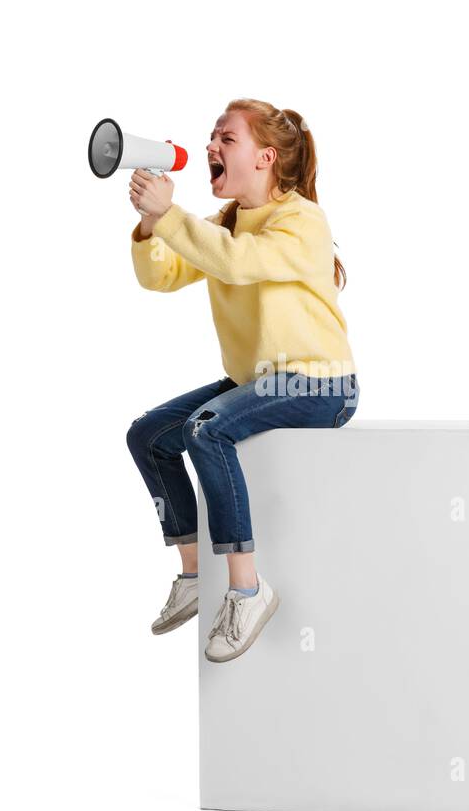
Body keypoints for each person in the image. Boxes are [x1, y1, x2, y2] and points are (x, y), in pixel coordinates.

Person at [125, 98, 359, 663]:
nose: (211, 147)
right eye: (212, 137)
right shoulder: (221, 224)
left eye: (226, 139)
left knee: (204, 430)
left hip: (320, 383)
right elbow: (161, 275)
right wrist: (149, 223)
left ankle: (248, 589)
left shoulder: (301, 220)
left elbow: (236, 263)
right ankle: (192, 572)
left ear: (266, 158)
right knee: (149, 435)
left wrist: (174, 219)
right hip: (254, 382)